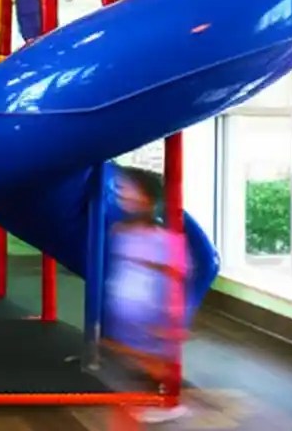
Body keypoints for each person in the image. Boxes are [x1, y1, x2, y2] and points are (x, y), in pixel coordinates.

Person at [104, 165, 189, 424]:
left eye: (128, 188)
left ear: (147, 198)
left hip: (150, 312)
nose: (121, 193)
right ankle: (146, 401)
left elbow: (173, 278)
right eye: (120, 188)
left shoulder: (162, 239)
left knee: (149, 361)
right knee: (130, 360)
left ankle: (166, 401)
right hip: (127, 309)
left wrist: (170, 319)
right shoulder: (122, 231)